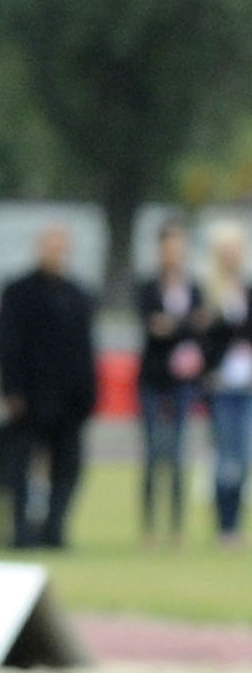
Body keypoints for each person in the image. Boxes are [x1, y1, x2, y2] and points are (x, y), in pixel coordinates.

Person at [0, 224, 98, 549]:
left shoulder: (79, 295)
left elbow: (85, 350)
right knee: (20, 465)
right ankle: (22, 530)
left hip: (69, 398)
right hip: (30, 395)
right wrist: (11, 390)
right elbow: (7, 345)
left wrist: (89, 395)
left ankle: (55, 528)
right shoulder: (18, 292)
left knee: (67, 466)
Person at [134, 218, 206, 544]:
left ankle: (176, 528)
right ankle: (149, 527)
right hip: (153, 378)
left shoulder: (194, 287)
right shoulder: (148, 287)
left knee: (177, 453)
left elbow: (198, 327)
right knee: (152, 453)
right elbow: (153, 327)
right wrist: (184, 324)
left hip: (182, 382)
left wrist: (173, 325)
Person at [200, 221, 252, 545]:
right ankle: (223, 522)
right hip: (221, 386)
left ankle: (236, 524)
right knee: (224, 457)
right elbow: (203, 340)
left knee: (244, 455)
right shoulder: (207, 291)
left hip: (246, 384)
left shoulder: (247, 290)